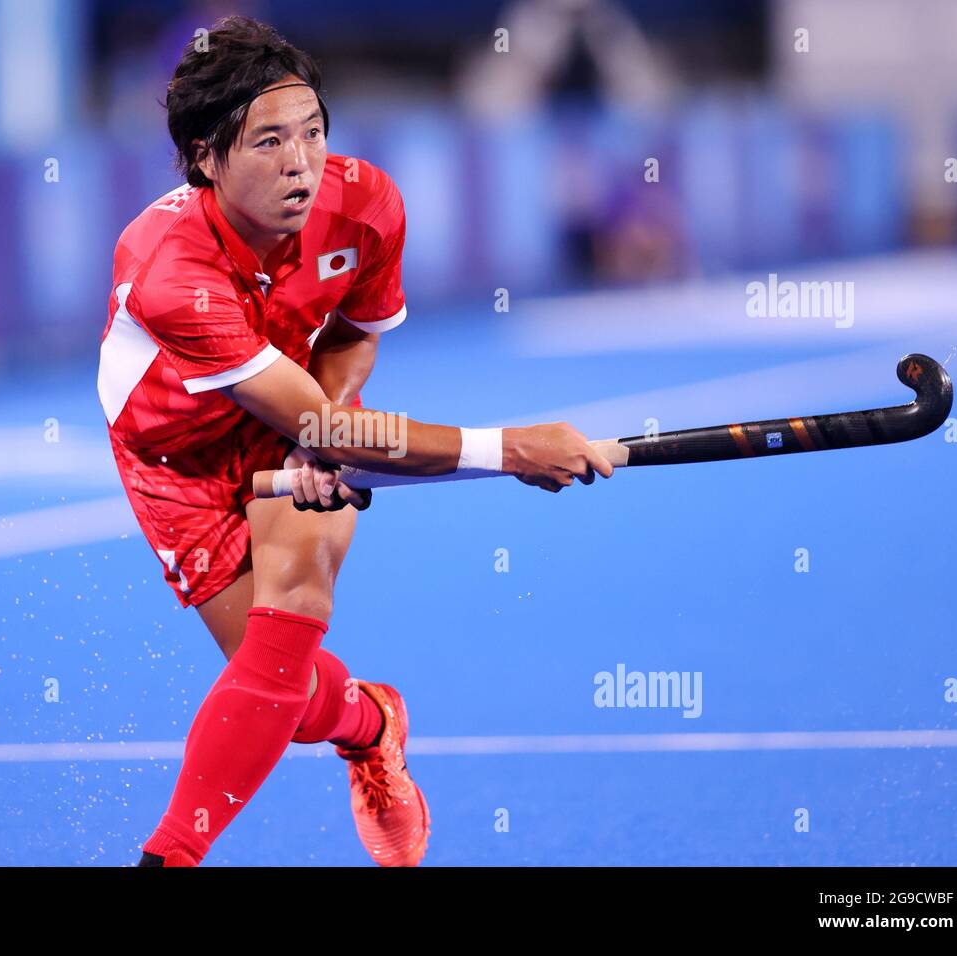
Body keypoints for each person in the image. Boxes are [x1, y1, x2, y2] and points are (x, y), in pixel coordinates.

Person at [98, 15, 612, 867]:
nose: (300, 160)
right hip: (175, 460)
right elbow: (317, 423)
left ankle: (168, 858)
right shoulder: (169, 269)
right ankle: (373, 724)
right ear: (204, 159)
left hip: (302, 401)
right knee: (287, 700)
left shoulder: (365, 201)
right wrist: (510, 448)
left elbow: (352, 335)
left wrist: (321, 435)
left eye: (312, 132)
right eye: (267, 142)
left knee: (289, 617)